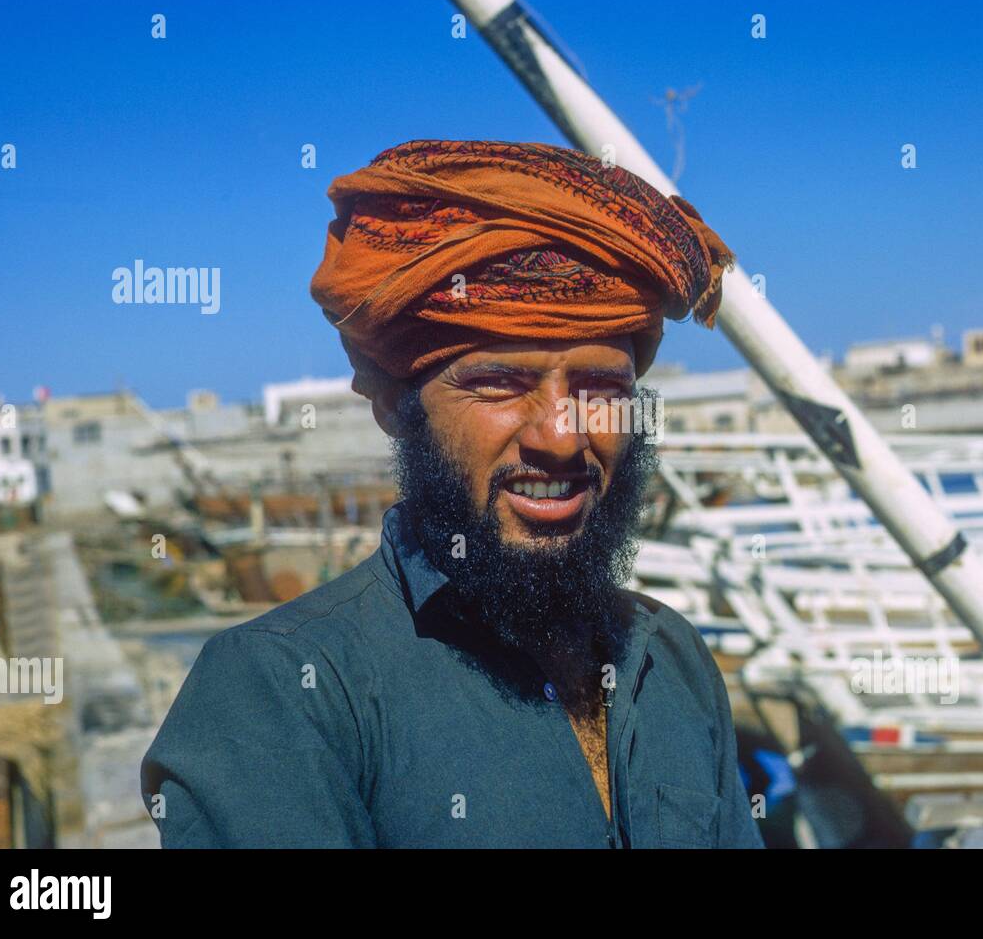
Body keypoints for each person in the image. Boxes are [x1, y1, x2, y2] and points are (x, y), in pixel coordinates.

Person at [140, 139, 764, 848]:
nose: (561, 438)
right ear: (394, 404)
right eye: (500, 384)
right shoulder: (283, 693)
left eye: (599, 390)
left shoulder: (671, 659)